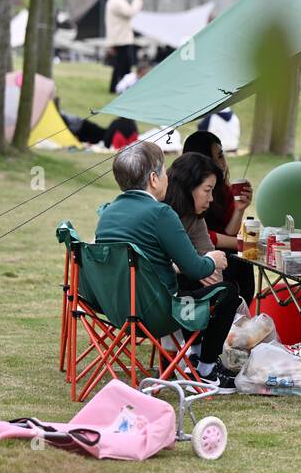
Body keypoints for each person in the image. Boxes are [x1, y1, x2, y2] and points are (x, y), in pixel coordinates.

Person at [93, 141, 239, 386]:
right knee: (229, 292)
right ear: (153, 178)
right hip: (156, 312)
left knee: (190, 286)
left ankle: (192, 356)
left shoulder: (109, 212)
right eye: (163, 173)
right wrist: (211, 260)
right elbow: (195, 268)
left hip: (114, 308)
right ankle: (205, 368)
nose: (167, 179)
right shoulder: (161, 213)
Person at [182, 130, 254, 305]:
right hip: (189, 260)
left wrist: (239, 209)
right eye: (217, 158)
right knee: (238, 257)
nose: (222, 163)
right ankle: (226, 308)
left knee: (241, 259)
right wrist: (244, 244)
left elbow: (226, 233)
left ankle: (237, 313)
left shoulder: (223, 190)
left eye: (222, 156)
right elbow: (201, 237)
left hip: (212, 253)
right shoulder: (182, 196)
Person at [164, 151, 227, 263]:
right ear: (188, 185)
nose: (211, 198)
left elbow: (209, 255)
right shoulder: (155, 214)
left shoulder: (194, 218)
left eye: (212, 191)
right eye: (207, 190)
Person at [106, 0, 143, 93]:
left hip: (120, 38)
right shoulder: (117, 1)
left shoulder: (116, 0)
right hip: (121, 39)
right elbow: (130, 12)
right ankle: (117, 88)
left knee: (123, 65)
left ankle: (122, 87)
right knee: (122, 65)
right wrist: (138, 0)